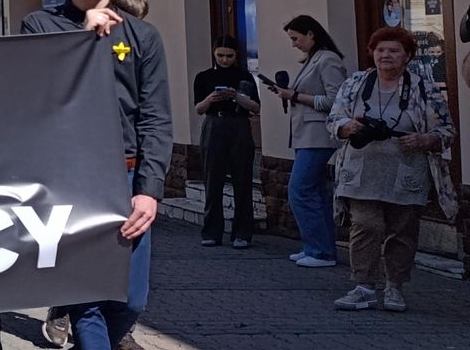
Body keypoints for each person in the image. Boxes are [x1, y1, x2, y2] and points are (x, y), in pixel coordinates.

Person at [20, 0, 171, 350]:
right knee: (86, 296)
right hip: (71, 179)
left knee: (131, 299)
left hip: (127, 178)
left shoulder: (142, 36)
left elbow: (156, 117)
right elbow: (35, 92)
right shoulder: (41, 26)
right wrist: (83, 40)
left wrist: (149, 190)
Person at [328, 27, 455, 313]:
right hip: (361, 169)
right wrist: (347, 127)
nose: (386, 55)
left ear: (407, 56)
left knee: (402, 230)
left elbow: (447, 130)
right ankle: (363, 286)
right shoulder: (356, 84)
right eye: (380, 50)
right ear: (372, 53)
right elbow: (334, 120)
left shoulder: (423, 87)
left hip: (407, 170)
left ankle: (394, 287)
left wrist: (425, 139)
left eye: (394, 50)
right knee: (365, 225)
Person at [263, 15, 347, 269]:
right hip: (305, 134)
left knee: (299, 190)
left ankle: (321, 251)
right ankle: (318, 248)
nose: (294, 44)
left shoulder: (328, 59)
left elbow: (336, 100)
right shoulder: (313, 58)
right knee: (315, 192)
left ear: (311, 34)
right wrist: (288, 94)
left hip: (318, 135)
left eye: (296, 38)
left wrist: (295, 95)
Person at [193, 36, 260, 247]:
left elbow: (256, 107)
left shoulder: (244, 76)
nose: (224, 60)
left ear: (236, 55)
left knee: (243, 180)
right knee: (212, 181)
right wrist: (210, 99)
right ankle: (212, 232)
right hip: (214, 124)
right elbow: (198, 109)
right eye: (220, 55)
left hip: (239, 125)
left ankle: (242, 233)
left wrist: (236, 96)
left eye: (229, 56)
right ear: (214, 53)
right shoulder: (203, 77)